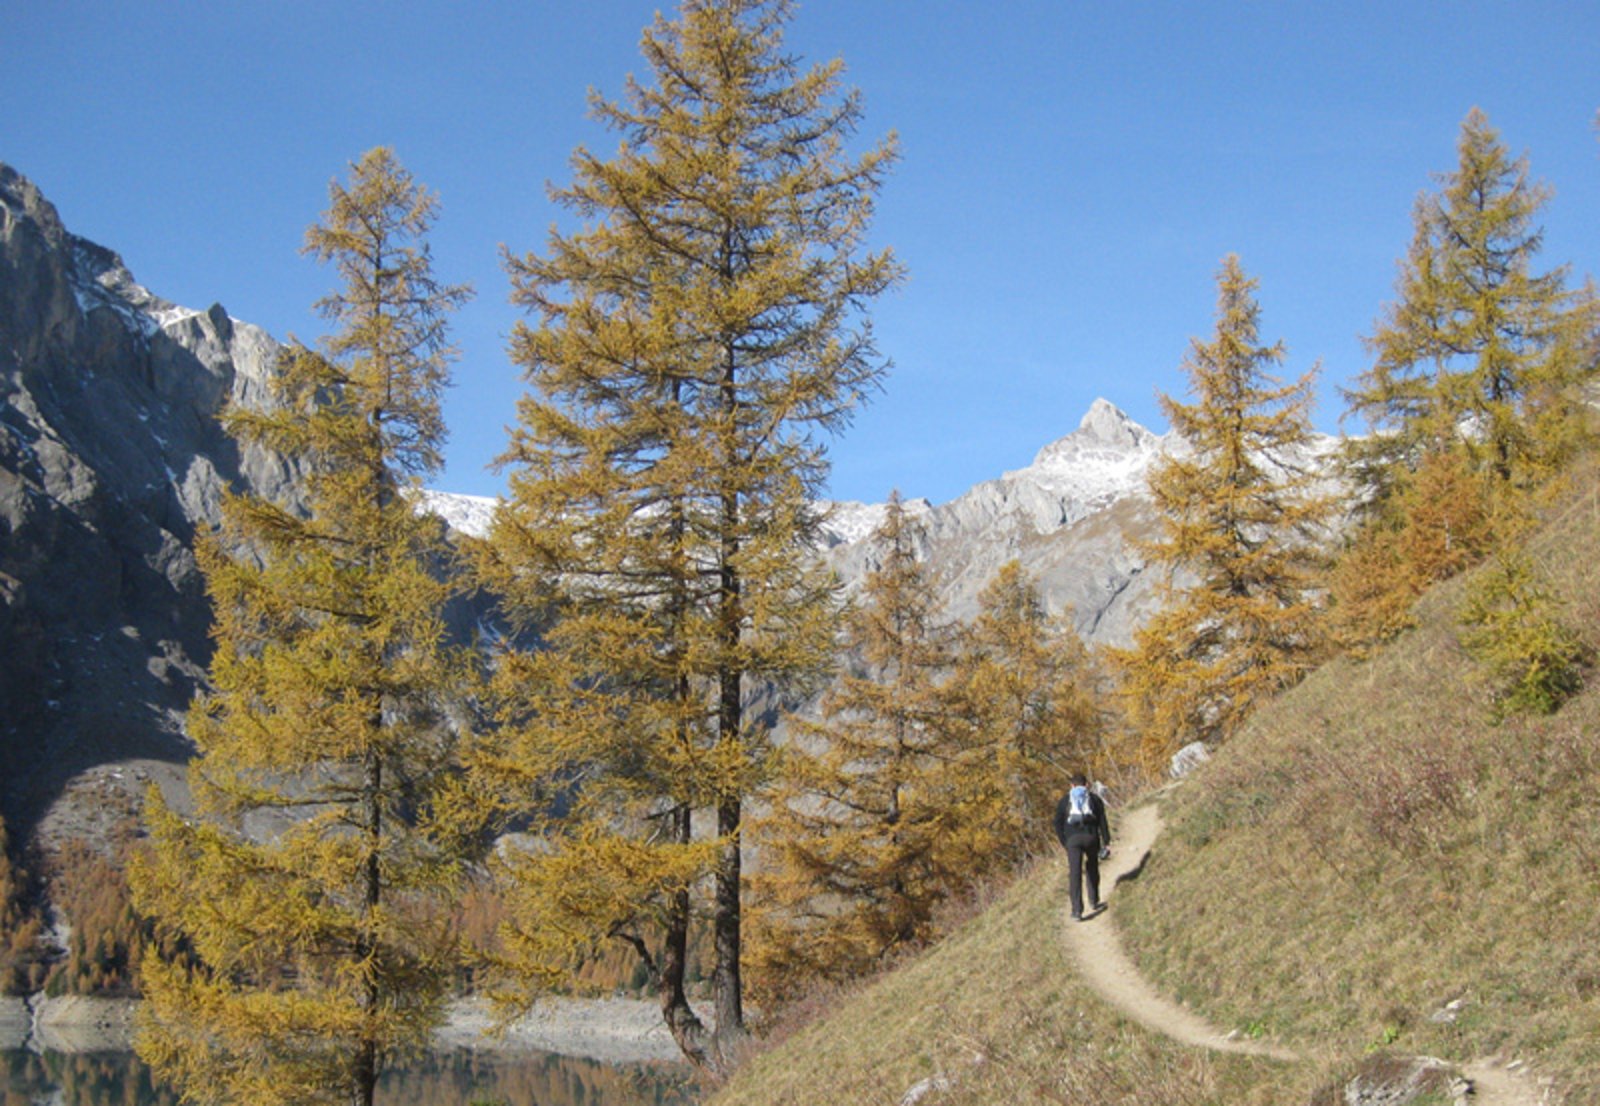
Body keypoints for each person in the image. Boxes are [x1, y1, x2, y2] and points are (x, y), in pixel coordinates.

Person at [1053, 773, 1111, 921]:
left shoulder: (1065, 800)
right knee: (1092, 867)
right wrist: (1106, 841)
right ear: (1086, 785)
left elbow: (1057, 823)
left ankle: (1077, 911)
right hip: (1091, 837)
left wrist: (1064, 841)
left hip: (1073, 840)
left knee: (1075, 873)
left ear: (1071, 786)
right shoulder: (1094, 799)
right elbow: (1102, 822)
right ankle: (1094, 899)